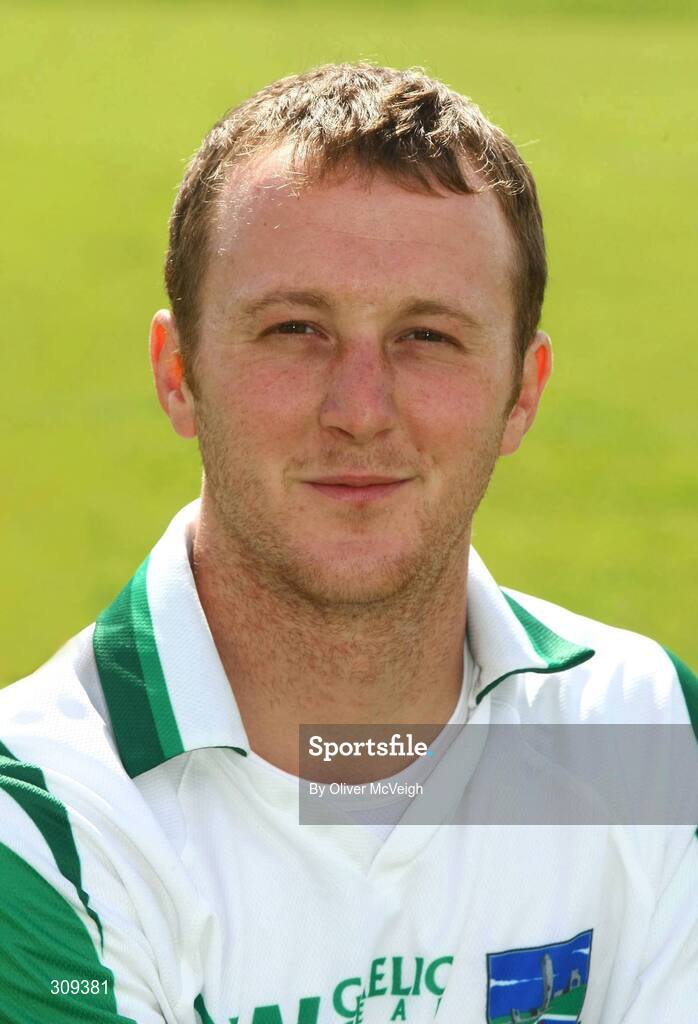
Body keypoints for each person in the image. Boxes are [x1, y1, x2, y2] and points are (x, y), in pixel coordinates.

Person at [0, 61, 695, 1024]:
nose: (360, 411)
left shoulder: (650, 741)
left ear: (522, 391)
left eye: (428, 337)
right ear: (178, 372)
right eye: (295, 329)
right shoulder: (39, 825)